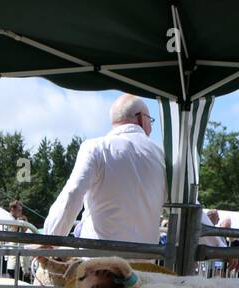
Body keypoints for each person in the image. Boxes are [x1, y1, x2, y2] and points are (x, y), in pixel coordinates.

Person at [42, 93, 165, 245]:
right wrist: (203, 244)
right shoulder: (162, 156)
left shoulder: (96, 148)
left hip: (100, 262)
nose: (151, 127)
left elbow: (73, 193)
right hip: (146, 262)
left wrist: (49, 240)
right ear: (141, 118)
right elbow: (184, 202)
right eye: (150, 120)